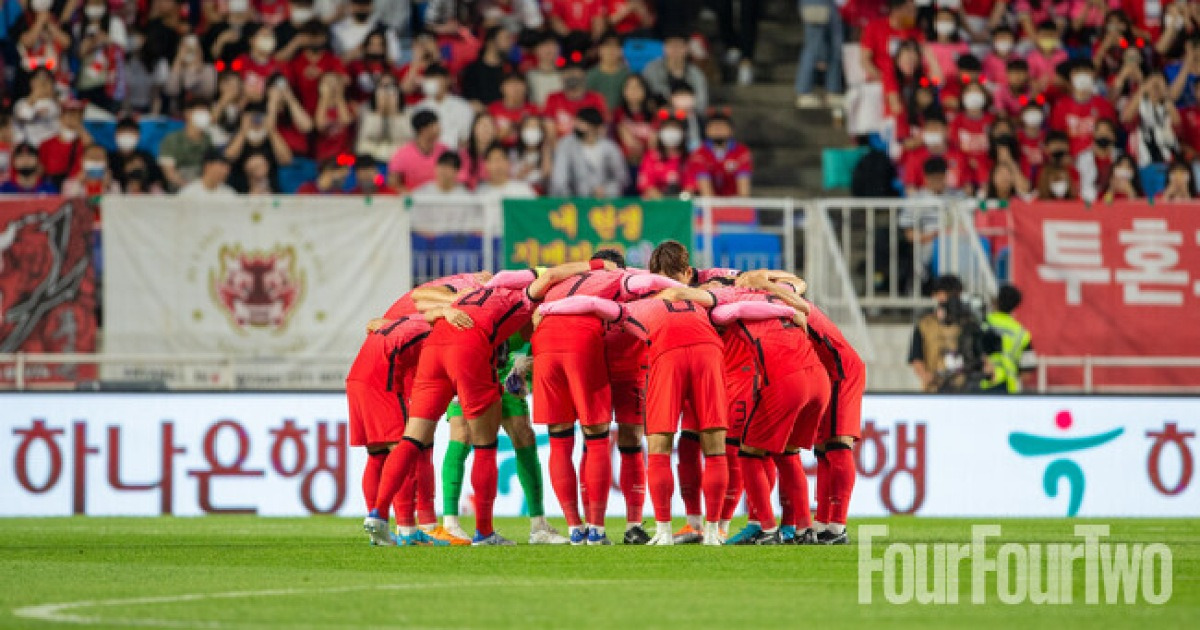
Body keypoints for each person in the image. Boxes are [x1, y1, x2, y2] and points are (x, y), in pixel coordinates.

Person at [371, 262, 614, 545]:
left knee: (412, 439)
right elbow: (548, 277)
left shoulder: (469, 294)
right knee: (483, 444)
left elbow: (422, 302)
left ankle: (377, 513)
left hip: (437, 352)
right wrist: (596, 266)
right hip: (471, 353)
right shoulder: (519, 298)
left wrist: (444, 310)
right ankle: (481, 530)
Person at [523, 252, 682, 545]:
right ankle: (607, 528)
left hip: (569, 350)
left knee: (569, 440)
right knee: (612, 440)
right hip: (597, 355)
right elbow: (660, 286)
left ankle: (580, 527)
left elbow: (528, 284)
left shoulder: (564, 279)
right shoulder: (623, 278)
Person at [549, 107, 629, 197]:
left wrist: (606, 190)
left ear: (596, 127)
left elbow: (622, 178)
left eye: (582, 124)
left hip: (605, 203)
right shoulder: (566, 145)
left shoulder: (610, 148)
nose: (577, 126)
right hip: (573, 202)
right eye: (576, 123)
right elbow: (559, 179)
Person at [908, 274, 967, 393]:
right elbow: (916, 357)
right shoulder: (925, 324)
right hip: (934, 389)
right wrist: (926, 377)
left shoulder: (966, 323)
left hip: (963, 388)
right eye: (947, 294)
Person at [1051, 61, 1119, 155]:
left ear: (1093, 75)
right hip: (1071, 160)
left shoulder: (1103, 104)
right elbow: (1056, 138)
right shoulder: (1061, 106)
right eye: (1078, 72)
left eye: (1086, 72)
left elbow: (1111, 134)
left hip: (1097, 158)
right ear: (1071, 76)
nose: (1082, 75)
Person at [980, 285, 1033, 394]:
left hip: (984, 383)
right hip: (1011, 387)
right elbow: (1027, 371)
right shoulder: (1022, 333)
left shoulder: (984, 323)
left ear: (996, 302)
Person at [686, 111, 753, 197]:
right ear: (707, 130)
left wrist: (733, 207)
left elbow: (744, 192)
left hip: (735, 202)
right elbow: (706, 193)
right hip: (709, 204)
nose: (718, 130)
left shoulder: (742, 152)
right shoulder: (699, 154)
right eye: (714, 127)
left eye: (722, 127)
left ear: (731, 130)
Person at [544, 56, 609, 139]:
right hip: (560, 149)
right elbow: (550, 132)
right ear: (561, 77)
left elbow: (602, 129)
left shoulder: (596, 98)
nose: (571, 75)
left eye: (575, 71)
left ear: (584, 74)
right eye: (567, 72)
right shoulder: (553, 98)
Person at [642, 30, 709, 111]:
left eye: (679, 46)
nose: (675, 50)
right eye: (671, 46)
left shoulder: (696, 73)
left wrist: (683, 105)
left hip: (689, 114)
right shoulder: (651, 69)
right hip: (659, 114)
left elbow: (702, 101)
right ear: (664, 48)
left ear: (687, 49)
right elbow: (646, 96)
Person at [795, 0, 845, 109]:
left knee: (835, 44)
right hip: (815, 4)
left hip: (830, 4)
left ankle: (833, 91)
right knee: (813, 46)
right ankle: (804, 91)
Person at [412, 65, 474, 149]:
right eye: (430, 78)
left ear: (447, 80)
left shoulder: (462, 107)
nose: (433, 82)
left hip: (455, 154)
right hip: (427, 154)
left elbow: (467, 138)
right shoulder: (419, 108)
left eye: (436, 78)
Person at [159, 98, 215, 191]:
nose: (204, 115)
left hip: (205, 187)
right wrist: (191, 189)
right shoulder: (172, 139)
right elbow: (169, 172)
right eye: (201, 110)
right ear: (188, 113)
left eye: (207, 112)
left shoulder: (209, 139)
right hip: (180, 188)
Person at [387, 110, 448, 192]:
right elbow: (392, 182)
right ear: (423, 129)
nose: (440, 128)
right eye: (435, 125)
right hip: (412, 199)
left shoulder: (445, 151)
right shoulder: (402, 154)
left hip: (439, 198)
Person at [356, 74, 412, 163]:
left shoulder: (408, 111)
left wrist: (394, 113)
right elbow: (368, 136)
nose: (386, 92)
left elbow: (407, 137)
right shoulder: (366, 110)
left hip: (399, 158)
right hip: (372, 159)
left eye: (390, 86)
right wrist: (379, 112)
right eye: (382, 87)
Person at [37, 99, 90, 187]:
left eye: (78, 114)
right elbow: (40, 172)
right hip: (53, 189)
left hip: (77, 188)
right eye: (69, 113)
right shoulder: (46, 144)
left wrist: (81, 130)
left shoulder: (85, 143)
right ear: (61, 117)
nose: (74, 117)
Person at [461, 26, 515, 109]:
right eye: (506, 39)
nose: (510, 43)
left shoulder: (512, 68)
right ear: (491, 42)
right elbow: (471, 100)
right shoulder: (472, 70)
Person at [638, 113, 691, 198]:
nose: (671, 132)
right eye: (668, 128)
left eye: (675, 128)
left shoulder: (689, 159)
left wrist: (680, 200)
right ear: (661, 132)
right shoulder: (651, 157)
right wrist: (664, 202)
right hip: (656, 205)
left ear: (682, 133)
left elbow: (690, 187)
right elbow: (647, 186)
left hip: (681, 205)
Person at [110, 118, 167, 192]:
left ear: (138, 136)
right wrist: (125, 171)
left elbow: (160, 180)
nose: (127, 136)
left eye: (131, 133)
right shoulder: (109, 158)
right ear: (116, 135)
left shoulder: (146, 157)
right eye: (123, 132)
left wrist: (144, 171)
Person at [11, 68, 60, 148]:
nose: (42, 83)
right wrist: (34, 96)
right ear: (32, 82)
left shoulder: (56, 103)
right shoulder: (21, 103)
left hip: (51, 148)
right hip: (30, 148)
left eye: (46, 79)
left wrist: (53, 96)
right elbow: (23, 115)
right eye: (39, 79)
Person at [1077, 118, 1122, 203]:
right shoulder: (1082, 159)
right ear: (1094, 134)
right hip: (1089, 204)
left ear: (1114, 136)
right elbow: (1082, 187)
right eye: (1100, 133)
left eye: (1107, 132)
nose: (1103, 135)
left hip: (1116, 204)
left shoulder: (1121, 158)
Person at [587, 31, 633, 111]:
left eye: (616, 46)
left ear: (621, 51)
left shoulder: (628, 74)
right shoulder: (590, 75)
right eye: (607, 46)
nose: (611, 50)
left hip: (622, 118)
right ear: (600, 49)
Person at [512, 116, 554, 193]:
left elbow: (548, 176)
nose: (532, 131)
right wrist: (522, 173)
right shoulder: (513, 154)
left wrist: (546, 152)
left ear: (541, 132)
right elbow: (510, 181)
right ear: (521, 130)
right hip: (519, 195)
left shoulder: (547, 154)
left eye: (535, 127)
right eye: (528, 127)